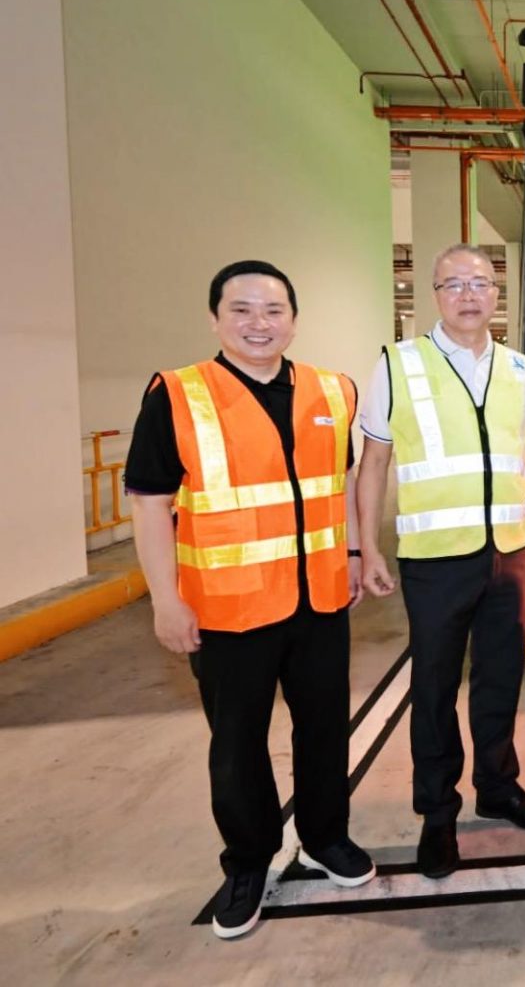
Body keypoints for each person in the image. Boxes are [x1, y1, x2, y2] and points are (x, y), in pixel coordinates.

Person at [126, 261, 375, 940]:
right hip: (226, 609)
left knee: (324, 730)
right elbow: (149, 506)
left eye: (273, 310)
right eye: (242, 310)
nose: (259, 323)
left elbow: (342, 485)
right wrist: (164, 601)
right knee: (238, 746)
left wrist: (353, 554)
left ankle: (326, 838)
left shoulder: (332, 390)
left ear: (293, 317)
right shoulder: (178, 395)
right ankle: (248, 862)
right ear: (215, 319)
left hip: (320, 601)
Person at [356, 244, 525, 880]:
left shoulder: (520, 368)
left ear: (496, 294)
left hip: (512, 556)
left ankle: (497, 788)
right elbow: (375, 463)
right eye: (455, 285)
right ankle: (437, 815)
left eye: (481, 283)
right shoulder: (399, 364)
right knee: (435, 690)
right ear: (434, 294)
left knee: (501, 680)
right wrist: (366, 547)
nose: (469, 295)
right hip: (436, 560)